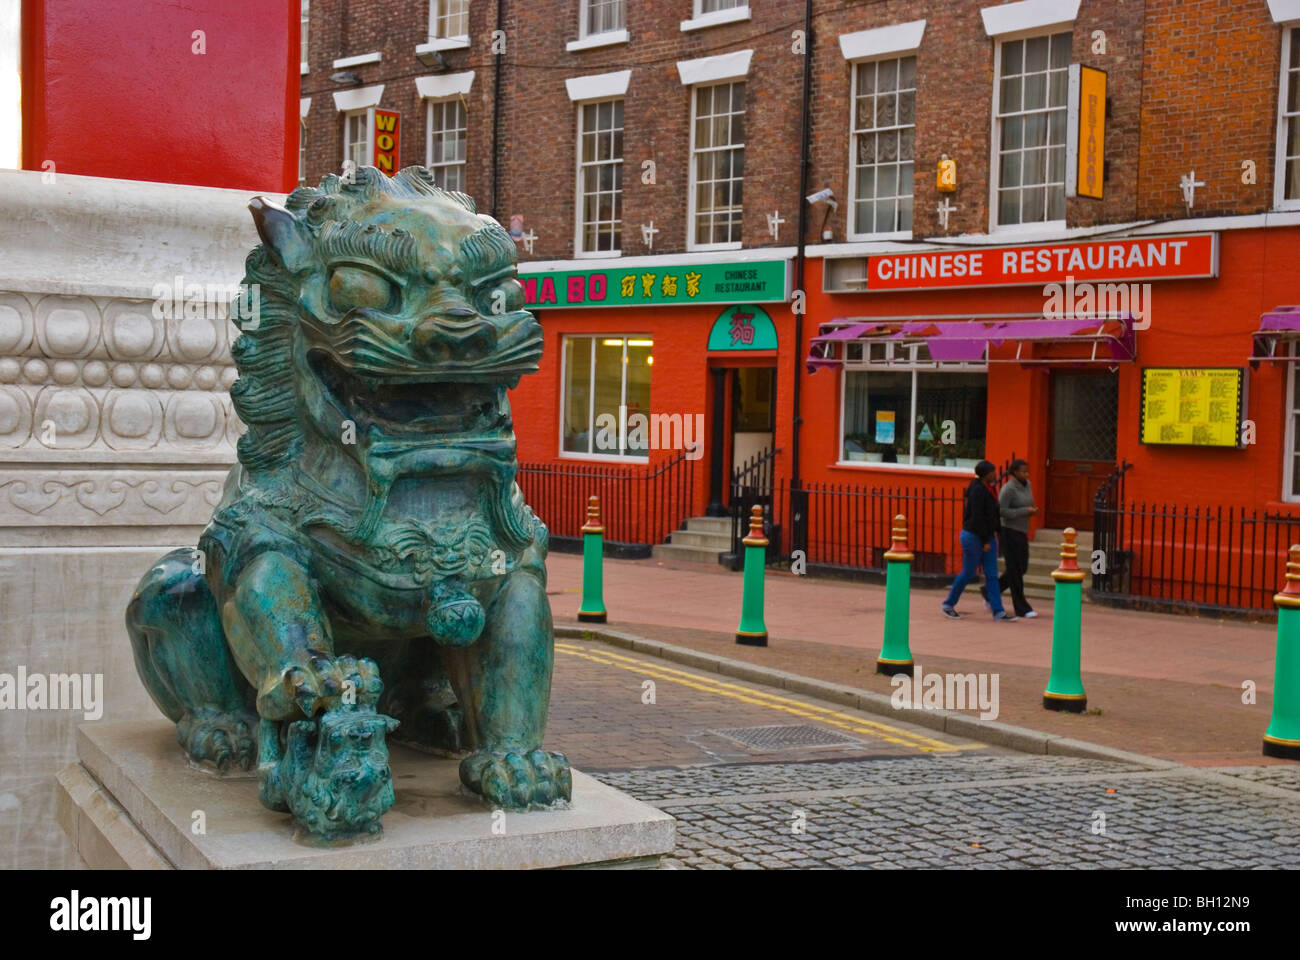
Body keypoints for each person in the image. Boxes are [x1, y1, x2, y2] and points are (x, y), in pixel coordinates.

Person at [942, 460, 1016, 621]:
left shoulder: (988, 488)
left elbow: (992, 515)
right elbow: (977, 518)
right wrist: (985, 541)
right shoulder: (977, 490)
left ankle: (998, 611)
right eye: (992, 471)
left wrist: (997, 533)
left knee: (992, 574)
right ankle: (948, 604)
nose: (995, 474)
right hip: (974, 537)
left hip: (987, 536)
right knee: (968, 572)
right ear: (985, 474)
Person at [981, 458, 1038, 618]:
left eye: (1027, 471)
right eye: (1023, 472)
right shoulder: (1008, 489)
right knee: (1014, 571)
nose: (1026, 474)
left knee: (1021, 568)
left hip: (1022, 531)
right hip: (1008, 532)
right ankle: (1021, 608)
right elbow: (1001, 512)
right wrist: (1024, 511)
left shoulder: (1029, 485)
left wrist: (1032, 510)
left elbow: (1027, 504)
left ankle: (989, 592)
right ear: (1014, 473)